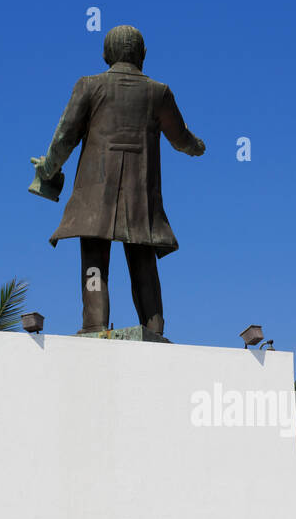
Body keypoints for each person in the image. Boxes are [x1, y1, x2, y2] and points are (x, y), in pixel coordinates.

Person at [31, 25, 206, 336]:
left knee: (94, 261)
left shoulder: (89, 86)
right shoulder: (158, 92)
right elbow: (181, 138)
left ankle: (94, 325)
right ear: (143, 55)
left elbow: (64, 137)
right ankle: (154, 329)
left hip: (94, 194)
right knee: (143, 260)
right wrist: (197, 147)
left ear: (105, 55)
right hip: (140, 194)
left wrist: (47, 169)